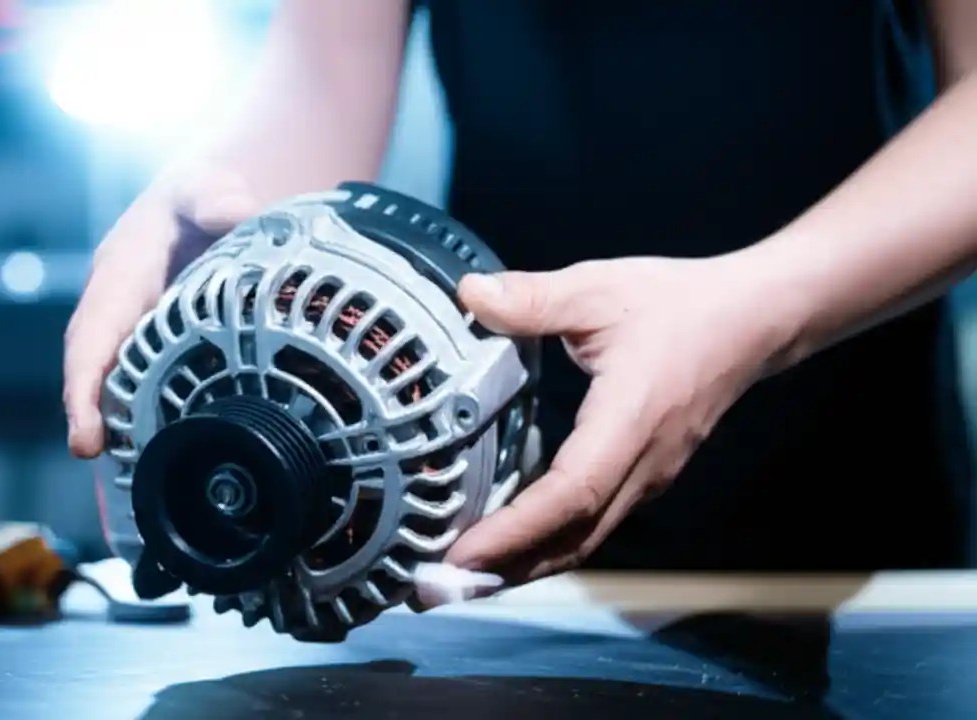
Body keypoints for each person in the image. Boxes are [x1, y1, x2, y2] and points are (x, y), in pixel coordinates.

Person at [63, 1, 977, 595]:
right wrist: (224, 191)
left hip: (850, 505)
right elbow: (325, 76)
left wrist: (755, 307)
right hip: (478, 487)